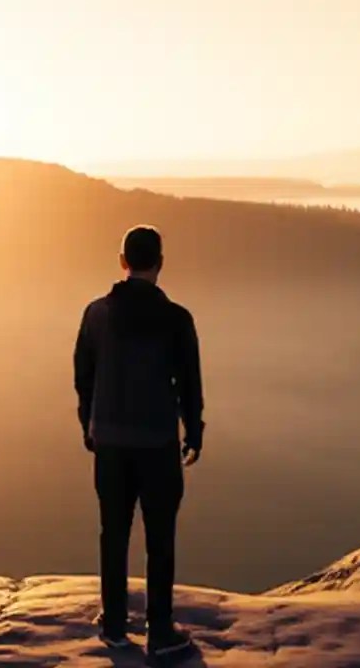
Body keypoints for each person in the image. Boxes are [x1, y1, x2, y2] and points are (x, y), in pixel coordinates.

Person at [73, 225, 204, 655]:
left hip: (109, 440)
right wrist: (194, 431)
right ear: (160, 263)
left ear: (122, 261)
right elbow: (189, 382)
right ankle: (160, 631)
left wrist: (88, 424)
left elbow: (83, 375)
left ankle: (113, 624)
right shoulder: (176, 319)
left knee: (113, 532)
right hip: (157, 442)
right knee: (159, 536)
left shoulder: (96, 314)